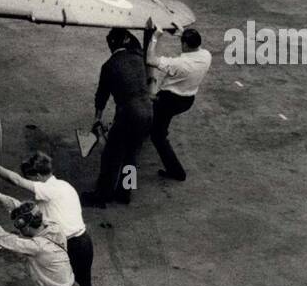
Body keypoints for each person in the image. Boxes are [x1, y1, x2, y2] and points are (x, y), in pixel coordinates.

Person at [0, 152, 97, 286]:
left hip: (71, 247)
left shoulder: (48, 190)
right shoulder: (64, 187)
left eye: (31, 178)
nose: (30, 183)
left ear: (37, 176)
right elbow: (22, 206)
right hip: (84, 241)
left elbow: (16, 181)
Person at [85, 27, 153, 206]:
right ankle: (125, 192)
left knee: (111, 156)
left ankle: (102, 195)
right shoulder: (138, 57)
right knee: (132, 154)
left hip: (128, 113)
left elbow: (102, 96)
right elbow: (137, 45)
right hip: (148, 111)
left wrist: (97, 118)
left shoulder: (109, 66)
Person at [145, 27, 212, 182]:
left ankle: (176, 171)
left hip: (168, 100)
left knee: (157, 136)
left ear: (185, 45)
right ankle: (160, 128)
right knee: (161, 122)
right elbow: (193, 44)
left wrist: (154, 37)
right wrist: (182, 33)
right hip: (187, 99)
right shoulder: (206, 56)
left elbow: (150, 60)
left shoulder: (179, 64)